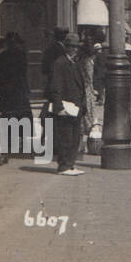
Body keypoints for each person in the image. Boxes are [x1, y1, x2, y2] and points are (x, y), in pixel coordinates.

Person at [49, 32, 87, 175]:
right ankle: (63, 166)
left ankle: (70, 164)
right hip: (66, 107)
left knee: (74, 137)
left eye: (77, 47)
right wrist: (59, 107)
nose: (75, 50)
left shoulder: (74, 63)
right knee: (65, 137)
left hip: (76, 107)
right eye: (72, 47)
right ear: (66, 47)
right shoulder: (60, 63)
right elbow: (56, 87)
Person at [0, 33, 32, 124]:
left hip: (7, 90)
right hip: (19, 89)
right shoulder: (21, 54)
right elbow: (23, 72)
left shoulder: (2, 55)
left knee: (9, 115)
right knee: (21, 114)